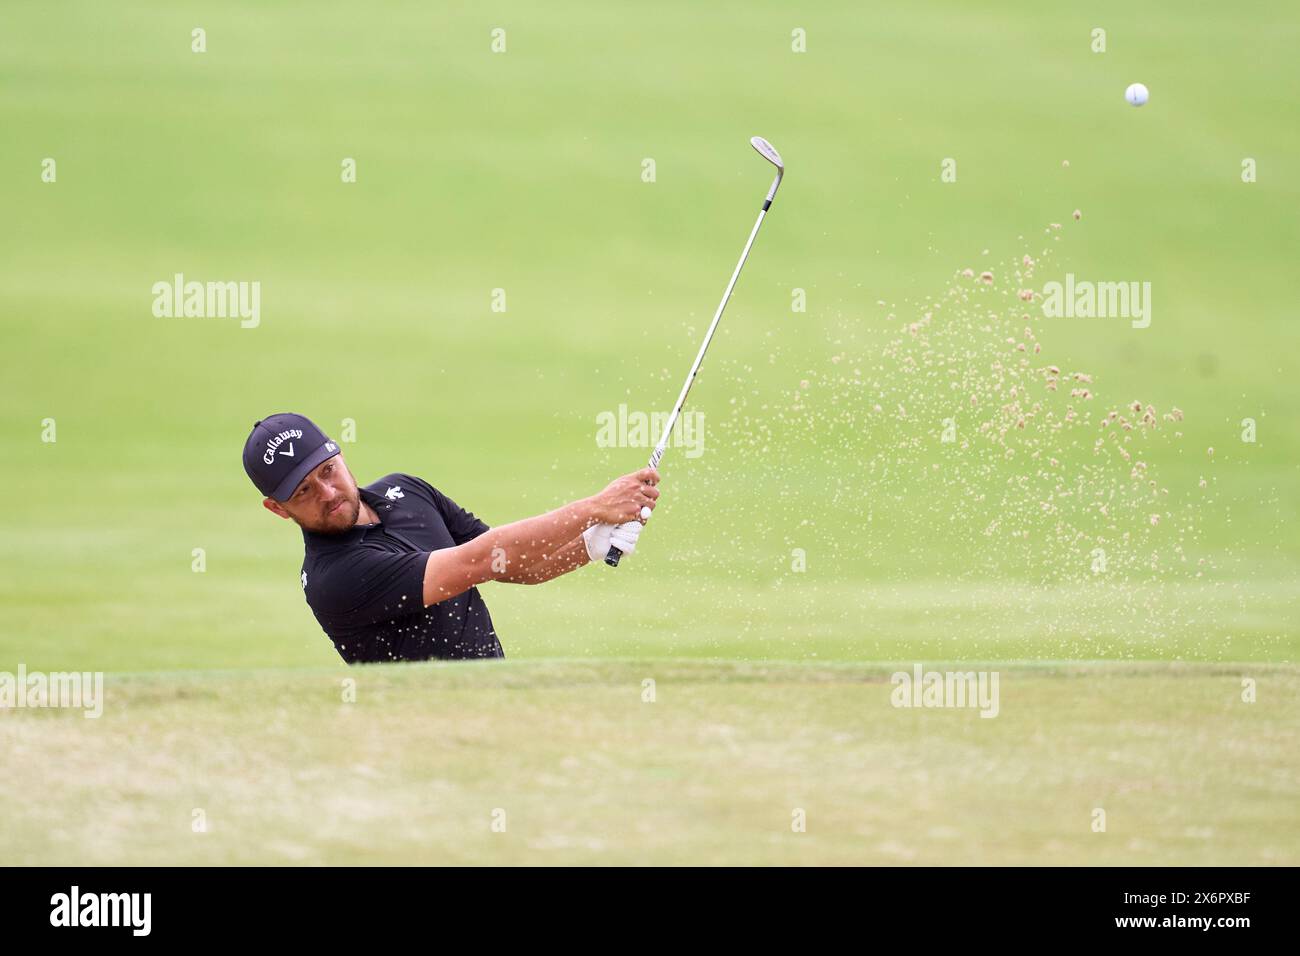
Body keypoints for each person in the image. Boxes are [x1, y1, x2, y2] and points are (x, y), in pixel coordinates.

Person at [241, 413, 659, 664]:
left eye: (327, 472)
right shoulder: (336, 577)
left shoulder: (405, 490)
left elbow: (511, 565)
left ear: (340, 456)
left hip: (495, 698)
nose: (328, 493)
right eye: (304, 492)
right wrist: (593, 508)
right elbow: (474, 561)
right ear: (278, 509)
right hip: (426, 733)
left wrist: (589, 544)